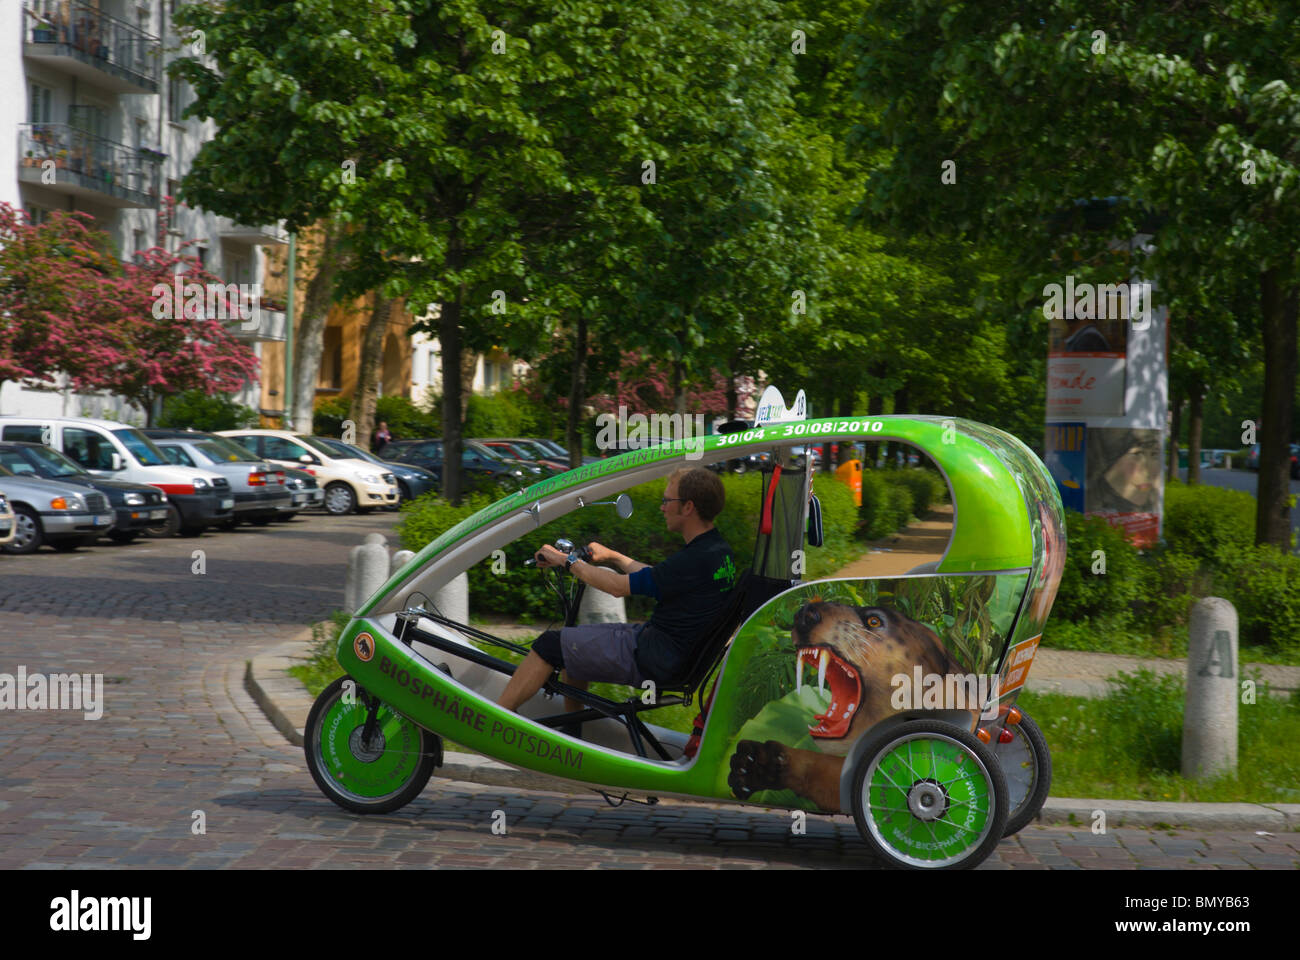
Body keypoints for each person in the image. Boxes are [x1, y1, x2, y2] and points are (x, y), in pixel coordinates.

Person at [497, 466, 738, 717]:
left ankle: (497, 719)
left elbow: (616, 588)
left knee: (550, 644)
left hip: (651, 658)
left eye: (667, 500)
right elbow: (658, 577)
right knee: (573, 644)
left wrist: (564, 561)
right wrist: (612, 556)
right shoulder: (717, 551)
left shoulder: (694, 559)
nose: (662, 507)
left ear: (688, 507)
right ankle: (572, 733)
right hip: (670, 655)